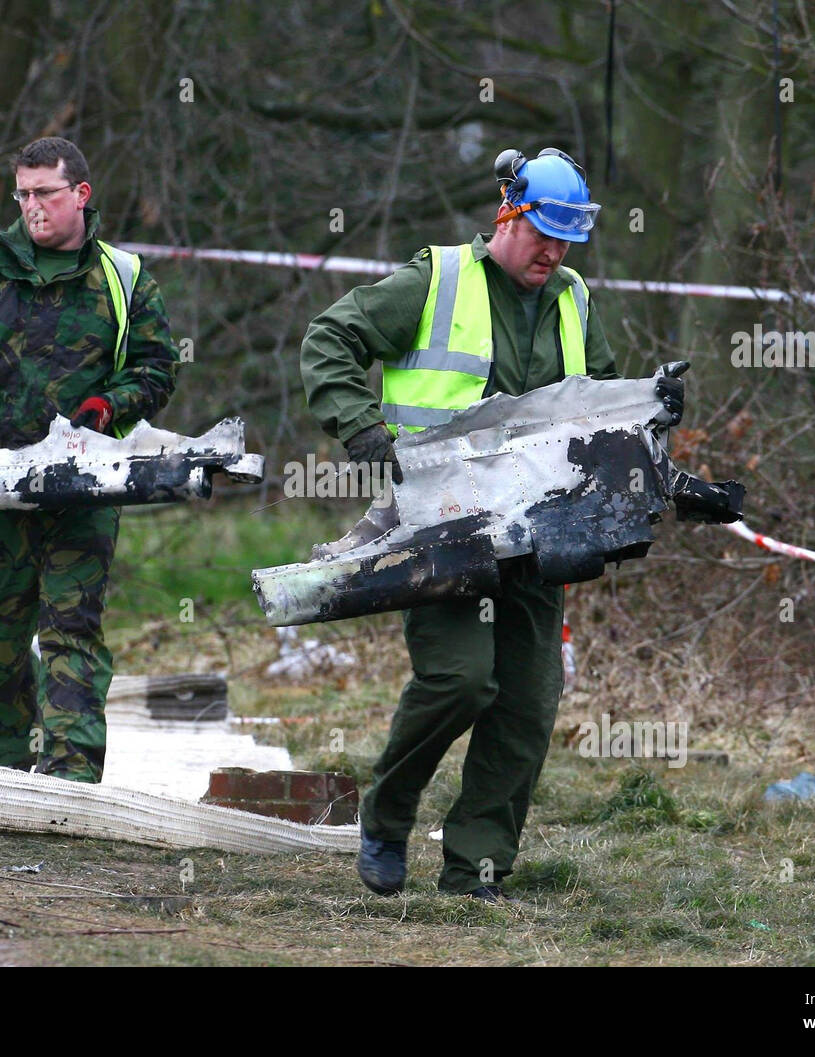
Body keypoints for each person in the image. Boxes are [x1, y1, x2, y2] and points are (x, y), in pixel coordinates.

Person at [300, 147, 684, 900]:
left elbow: (600, 408)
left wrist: (651, 412)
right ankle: (386, 813)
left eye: (568, 238)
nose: (555, 251)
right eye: (544, 233)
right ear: (508, 212)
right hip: (444, 528)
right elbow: (329, 338)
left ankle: (475, 868)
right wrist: (363, 430)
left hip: (543, 535)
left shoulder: (573, 300)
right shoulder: (436, 279)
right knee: (461, 680)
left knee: (527, 701)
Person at [0, 136, 180, 783]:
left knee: (70, 630)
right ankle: (10, 772)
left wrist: (106, 407)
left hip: (84, 489)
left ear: (81, 195)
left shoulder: (122, 277)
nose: (32, 207)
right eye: (23, 194)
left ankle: (70, 776)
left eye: (46, 193)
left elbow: (157, 369)